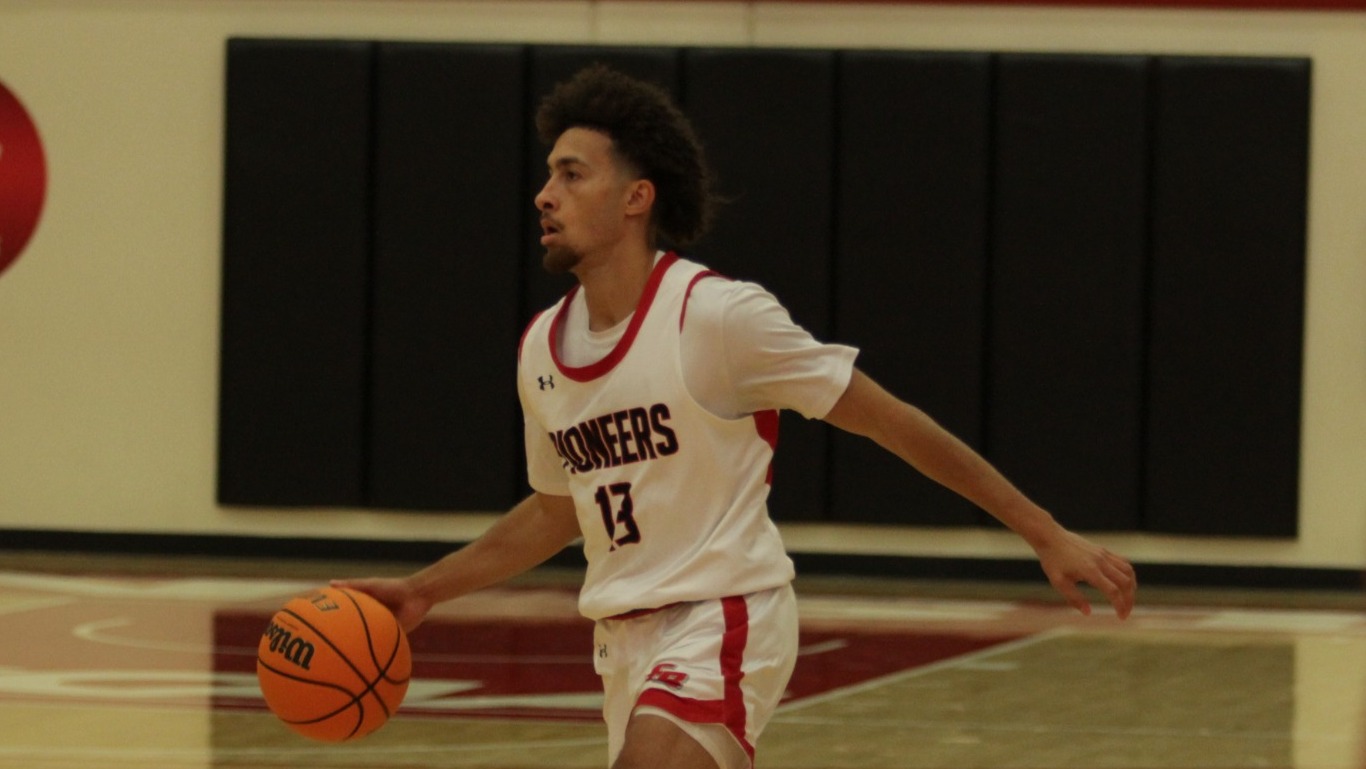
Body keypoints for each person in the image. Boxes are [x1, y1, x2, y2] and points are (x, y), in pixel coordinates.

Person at [336, 64, 1137, 769]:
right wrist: (423, 591)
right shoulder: (543, 347)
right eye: (548, 174)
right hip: (622, 639)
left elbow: (890, 419)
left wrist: (1044, 531)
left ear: (635, 198)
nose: (545, 194)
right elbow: (557, 510)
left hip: (725, 614)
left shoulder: (717, 317)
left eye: (572, 175)